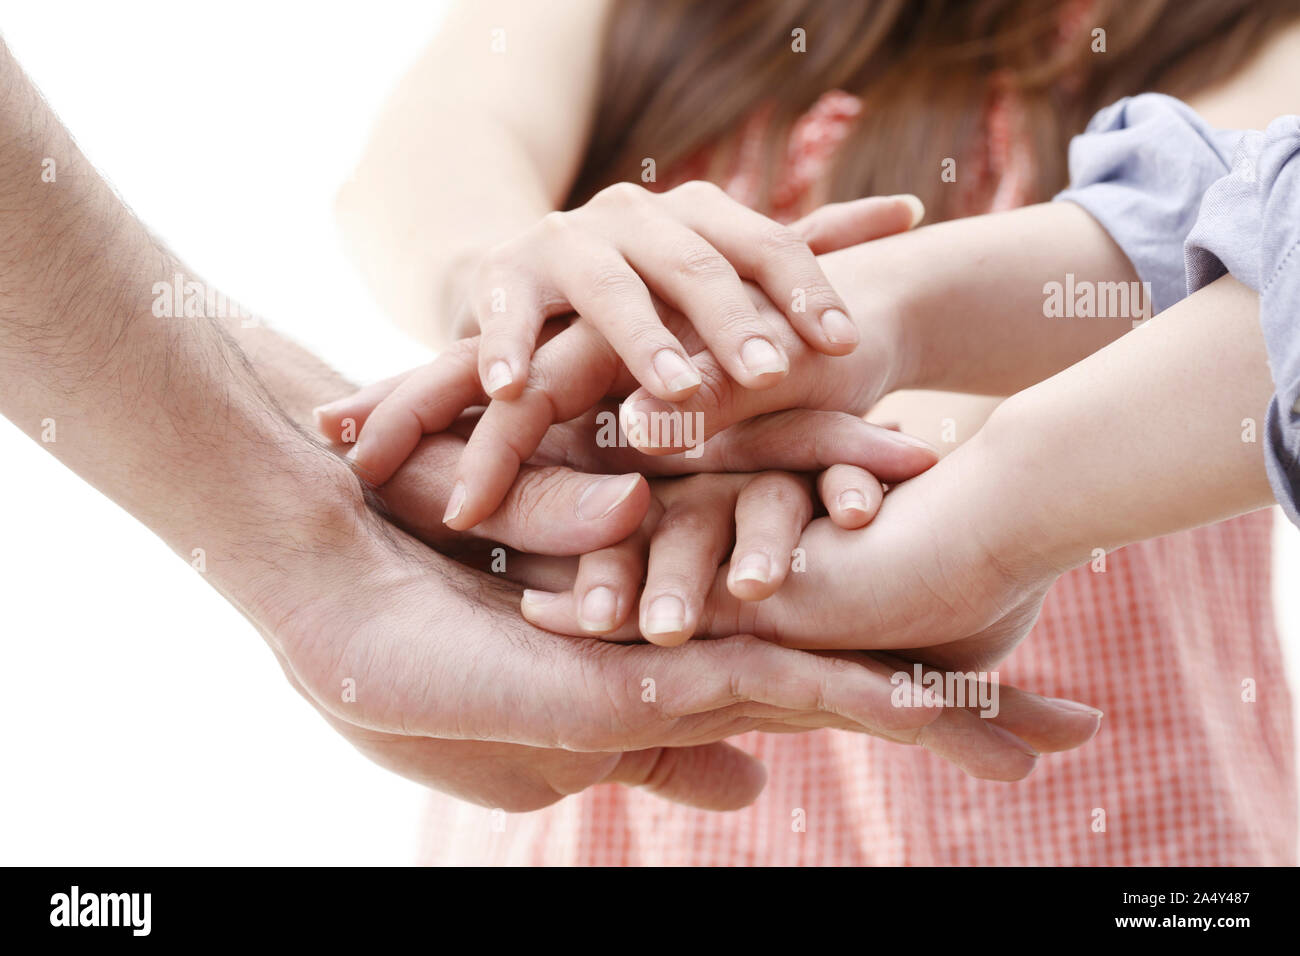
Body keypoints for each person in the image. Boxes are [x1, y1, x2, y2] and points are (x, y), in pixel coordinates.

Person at [0, 36, 1096, 826]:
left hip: (1086, 811)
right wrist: (542, 312)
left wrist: (821, 457)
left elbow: (1153, 288)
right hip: (572, 720)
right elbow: (427, 160)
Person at [335, 0, 1300, 863]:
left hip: (1092, 817)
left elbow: (1227, 276)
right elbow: (432, 165)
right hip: (606, 805)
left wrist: (673, 455)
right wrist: (518, 307)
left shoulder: (1246, 27)